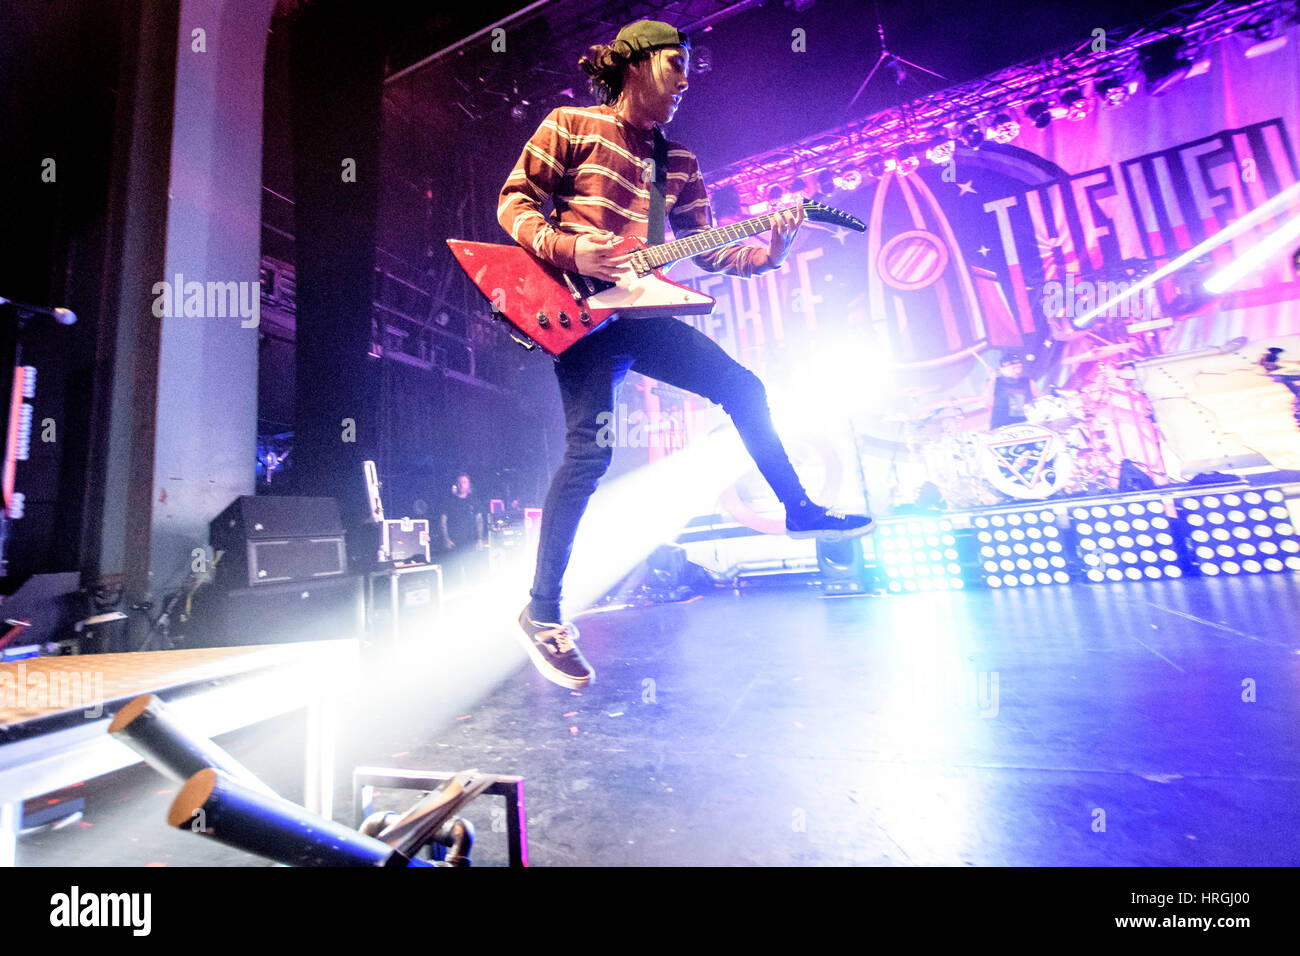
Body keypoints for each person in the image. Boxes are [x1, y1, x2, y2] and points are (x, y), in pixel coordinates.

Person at [498, 19, 873, 690]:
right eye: (676, 62)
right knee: (590, 456)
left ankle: (800, 509)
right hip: (580, 314)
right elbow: (514, 202)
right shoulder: (569, 125)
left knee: (745, 388)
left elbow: (715, 250)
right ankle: (542, 610)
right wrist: (571, 249)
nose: (686, 77)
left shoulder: (678, 163)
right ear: (635, 64)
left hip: (640, 314)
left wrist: (776, 246)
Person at [439, 473, 485, 587]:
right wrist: (446, 539)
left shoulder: (474, 501)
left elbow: (479, 520)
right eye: (459, 482)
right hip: (454, 543)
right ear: (456, 484)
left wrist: (480, 539)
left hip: (470, 542)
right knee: (454, 575)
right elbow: (443, 521)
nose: (462, 485)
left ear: (468, 484)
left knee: (472, 573)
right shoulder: (449, 501)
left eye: (464, 482)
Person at [986, 351, 1041, 429]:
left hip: (1024, 424)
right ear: (1002, 369)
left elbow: (1042, 398)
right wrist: (992, 380)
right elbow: (987, 401)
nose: (1017, 371)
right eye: (1013, 368)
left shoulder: (1028, 382)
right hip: (1001, 427)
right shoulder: (995, 382)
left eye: (1019, 367)